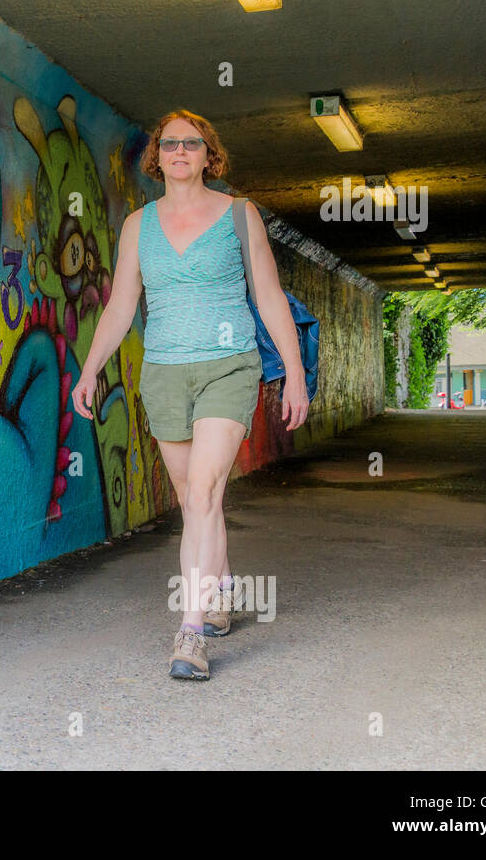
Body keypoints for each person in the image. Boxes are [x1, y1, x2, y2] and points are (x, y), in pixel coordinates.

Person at [70, 110, 309, 680]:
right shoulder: (137, 226)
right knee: (194, 496)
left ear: (209, 156)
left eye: (192, 144)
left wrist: (294, 375)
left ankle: (191, 633)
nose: (180, 151)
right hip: (164, 373)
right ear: (158, 155)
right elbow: (122, 306)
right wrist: (89, 371)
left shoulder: (239, 216)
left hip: (227, 367)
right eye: (170, 143)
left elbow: (271, 297)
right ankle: (222, 585)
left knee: (202, 491)